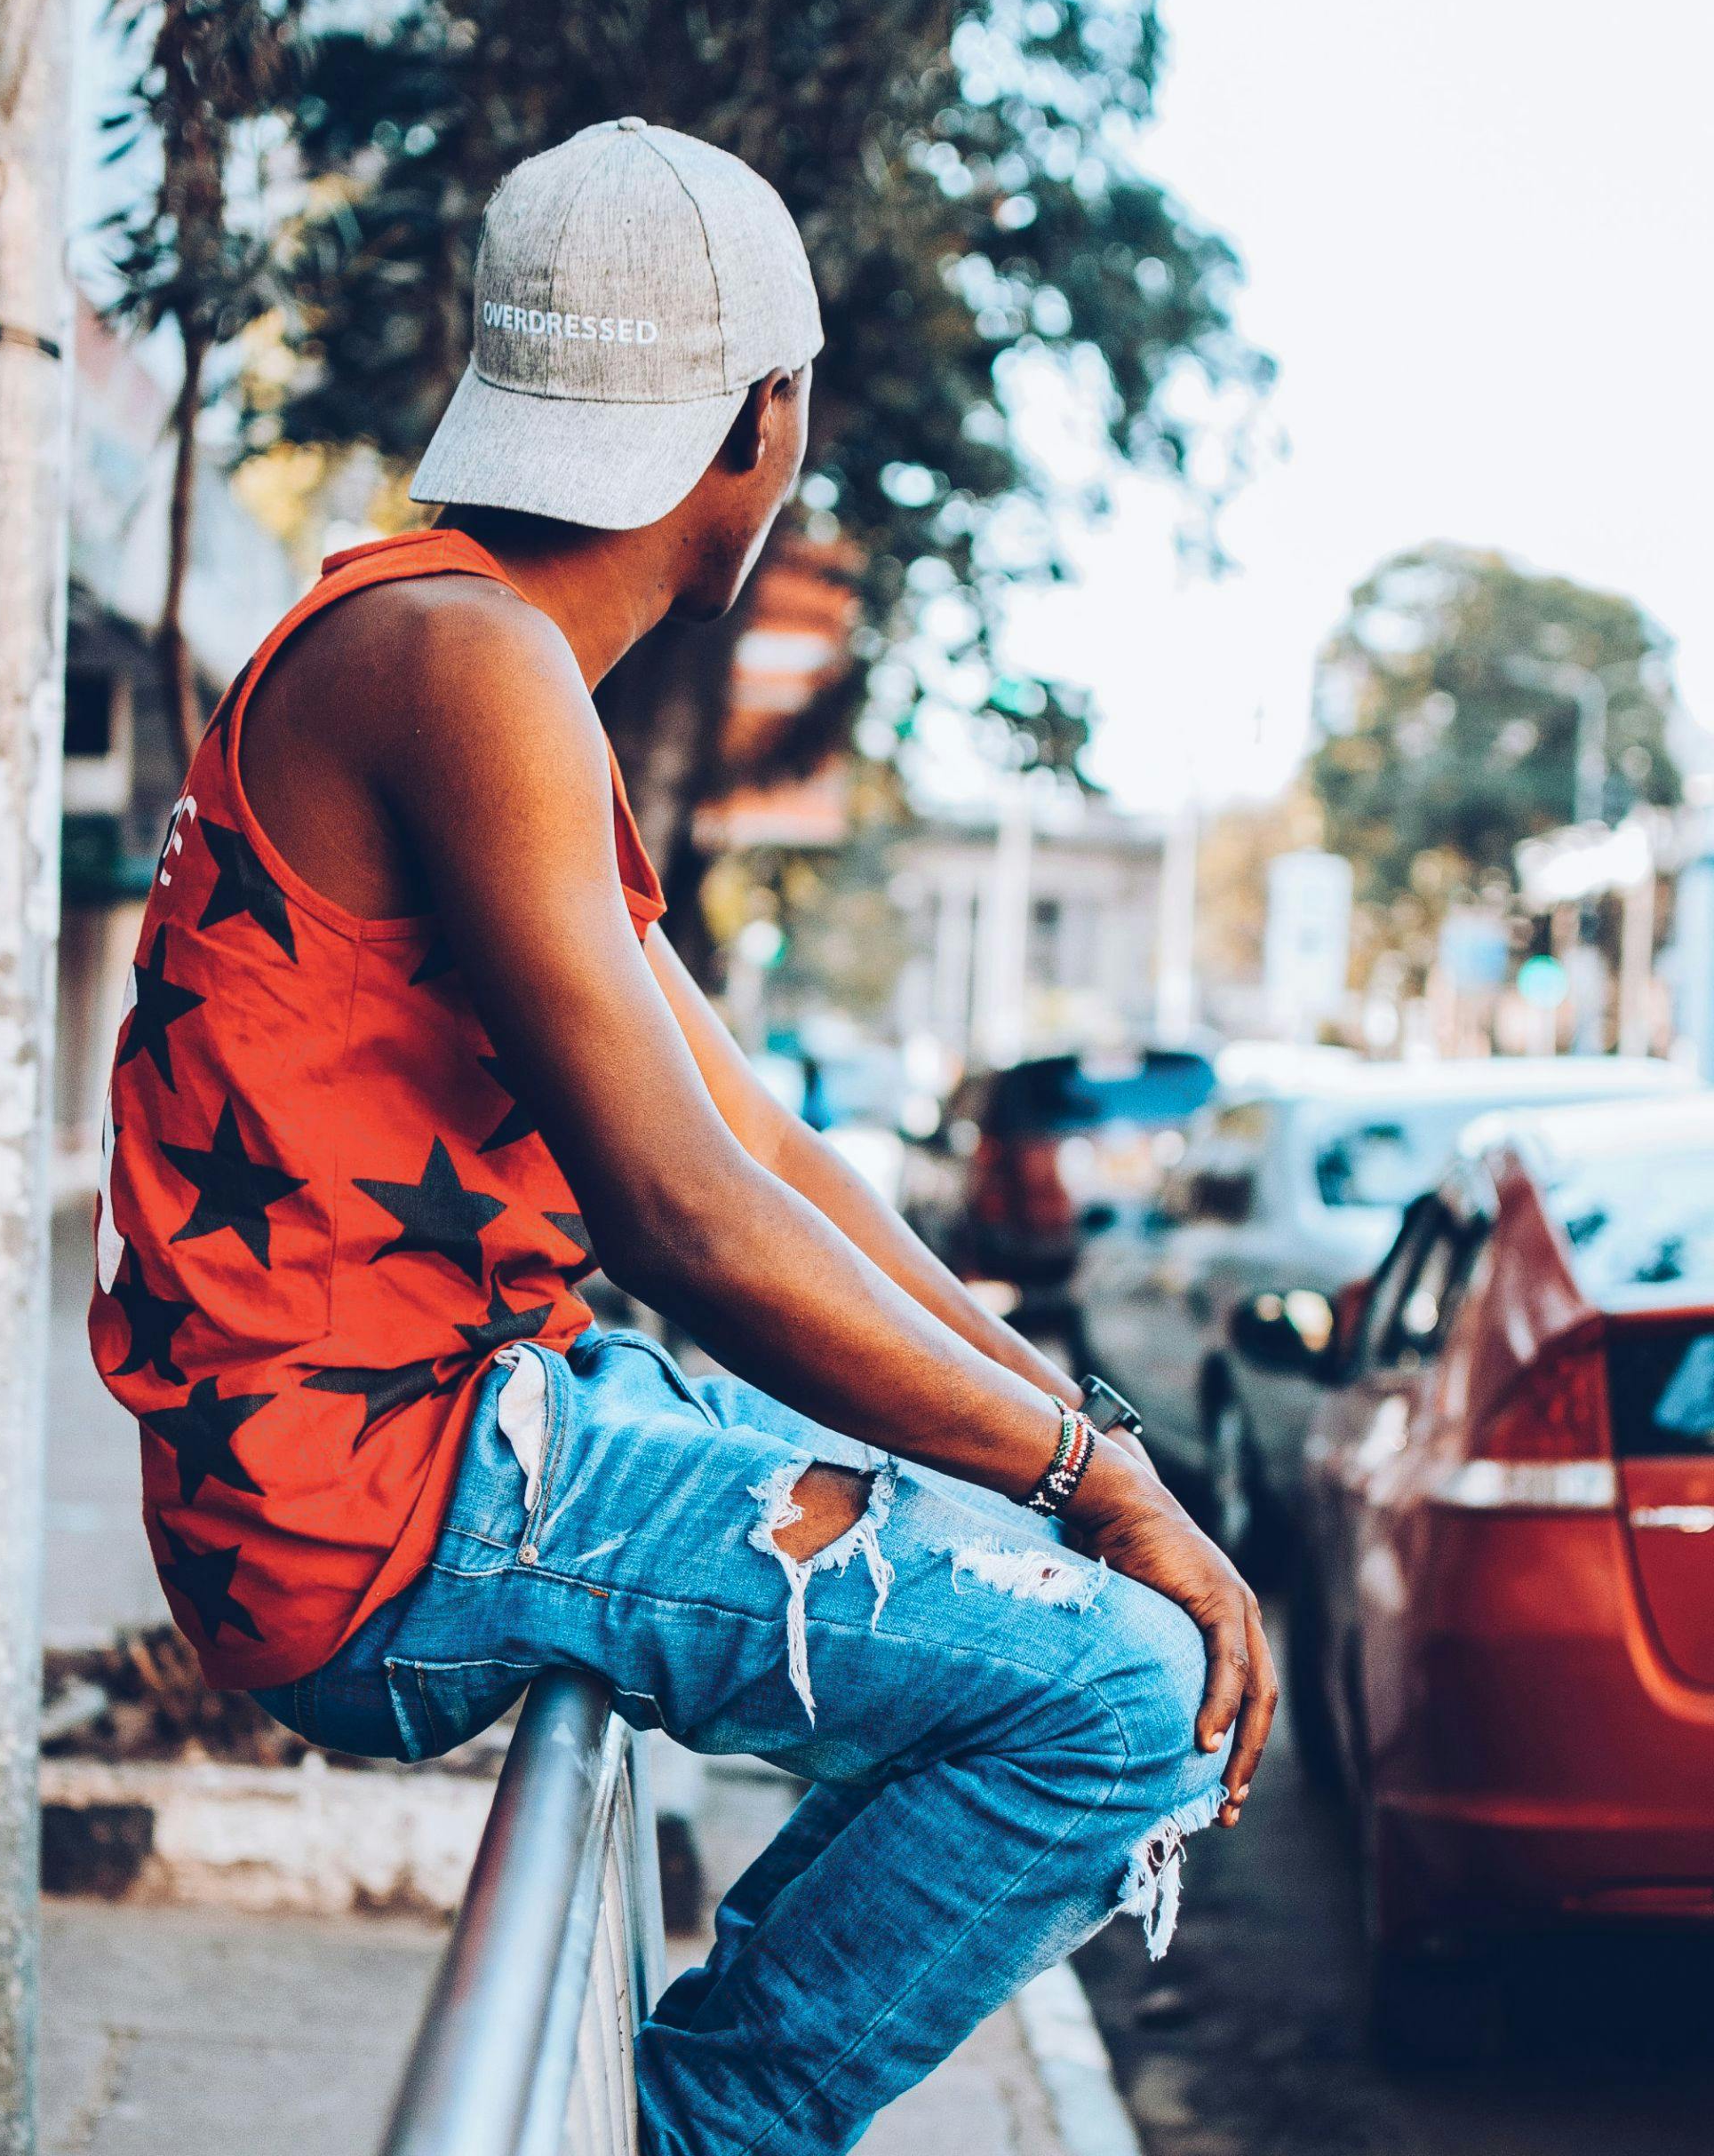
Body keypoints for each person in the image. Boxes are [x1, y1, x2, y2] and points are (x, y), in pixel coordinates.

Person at [90, 116, 1275, 2156]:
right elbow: (690, 1216)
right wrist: (1103, 1487)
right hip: (376, 1518)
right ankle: (692, 2140)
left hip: (454, 1444)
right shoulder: (466, 666)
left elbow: (781, 1159)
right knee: (1123, 1699)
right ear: (761, 425)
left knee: (1060, 1596)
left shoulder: (463, 652)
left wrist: (1097, 1458)